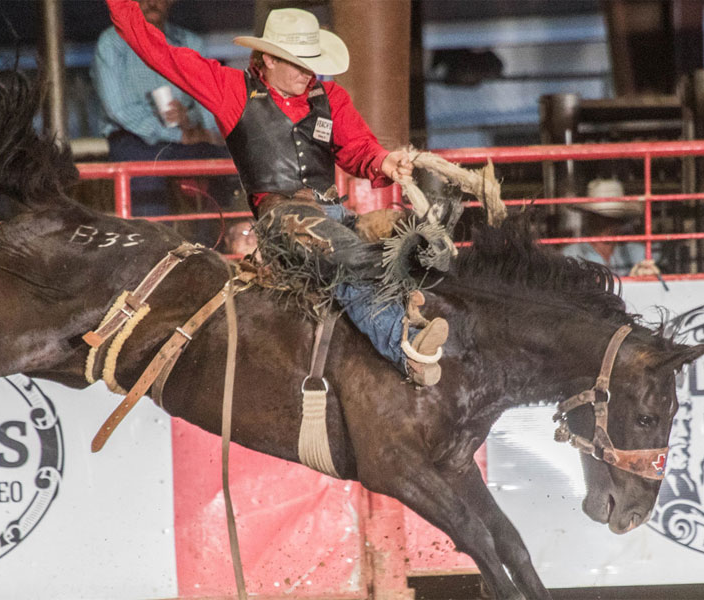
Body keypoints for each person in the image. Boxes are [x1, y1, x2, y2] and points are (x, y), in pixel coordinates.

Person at [104, 0, 449, 386]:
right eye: (298, 62)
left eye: (311, 62)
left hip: (332, 211)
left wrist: (383, 162)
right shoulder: (231, 89)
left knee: (411, 237)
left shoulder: (330, 97)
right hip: (282, 218)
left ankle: (407, 302)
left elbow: (359, 148)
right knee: (342, 253)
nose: (308, 72)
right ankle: (407, 347)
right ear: (268, 59)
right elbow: (158, 53)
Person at [92, 0, 231, 218]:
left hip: (185, 137)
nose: (152, 3)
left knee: (226, 164)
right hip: (133, 140)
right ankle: (155, 245)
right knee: (145, 178)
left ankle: (218, 240)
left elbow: (207, 100)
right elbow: (118, 110)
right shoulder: (112, 43)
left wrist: (192, 120)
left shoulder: (189, 42)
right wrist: (179, 134)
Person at [562, 178, 653, 277]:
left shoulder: (637, 252)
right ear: (589, 217)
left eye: (612, 217)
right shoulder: (571, 254)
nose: (606, 223)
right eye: (600, 216)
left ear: (620, 219)